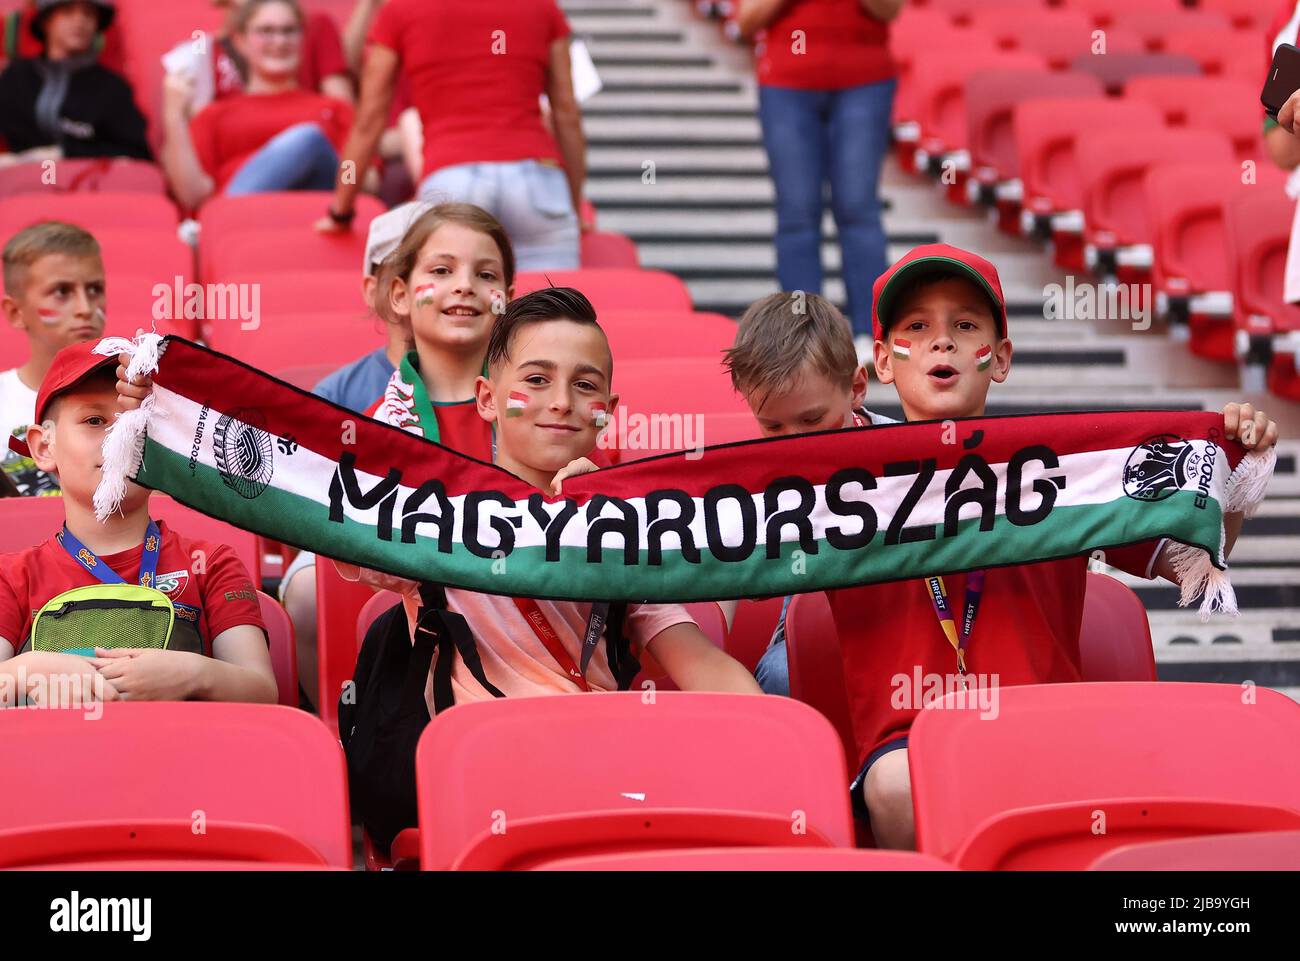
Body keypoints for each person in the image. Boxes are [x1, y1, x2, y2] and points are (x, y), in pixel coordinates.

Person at [836, 244, 1279, 849]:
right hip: (909, 740)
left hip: (1049, 734)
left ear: (1001, 360)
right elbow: (725, 535)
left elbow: (1193, 566)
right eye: (918, 327)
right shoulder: (834, 489)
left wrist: (1238, 479)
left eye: (966, 326)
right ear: (884, 361)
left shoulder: (1067, 470)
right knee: (898, 783)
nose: (943, 343)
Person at [346, 287, 763, 705]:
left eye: (584, 385)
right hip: (478, 759)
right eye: (537, 380)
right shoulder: (440, 516)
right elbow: (334, 524)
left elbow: (701, 664)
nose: (562, 402)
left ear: (607, 412)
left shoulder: (617, 530)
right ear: (488, 399)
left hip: (599, 754)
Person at [0, 341, 277, 707]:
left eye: (138, 421)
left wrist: (193, 674)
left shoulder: (211, 565)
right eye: (94, 421)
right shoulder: (12, 577)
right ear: (43, 446)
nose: (120, 438)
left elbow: (261, 691)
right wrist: (28, 668)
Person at [317, 0, 588, 270]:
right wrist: (574, 205)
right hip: (537, 181)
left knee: (460, 306)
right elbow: (567, 115)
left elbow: (368, 122)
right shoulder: (541, 7)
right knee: (551, 309)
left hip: (453, 179)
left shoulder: (400, 9)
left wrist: (341, 210)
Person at [721, 291, 896, 694]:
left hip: (912, 637)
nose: (794, 443)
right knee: (784, 674)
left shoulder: (909, 458)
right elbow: (719, 571)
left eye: (812, 419)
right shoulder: (750, 480)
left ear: (856, 388)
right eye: (773, 427)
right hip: (805, 646)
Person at [735, 0, 903, 350]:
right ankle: (805, 344)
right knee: (797, 212)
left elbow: (889, 9)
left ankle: (870, 337)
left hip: (864, 80)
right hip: (787, 84)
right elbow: (747, 19)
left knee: (858, 208)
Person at [160, 0, 353, 210]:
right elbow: (192, 196)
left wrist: (347, 174)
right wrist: (174, 117)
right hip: (245, 226)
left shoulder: (334, 109)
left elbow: (366, 178)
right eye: (266, 31)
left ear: (303, 39)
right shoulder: (214, 116)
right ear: (240, 41)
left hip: (318, 215)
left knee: (309, 139)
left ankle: (228, 211)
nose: (279, 41)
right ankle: (230, 211)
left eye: (289, 31)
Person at [2, 221, 107, 496]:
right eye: (62, 292)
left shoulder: (137, 399)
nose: (86, 308)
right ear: (15, 312)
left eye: (95, 289)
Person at [0, 0, 150, 167]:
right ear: (46, 21)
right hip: (20, 184)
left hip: (90, 186)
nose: (79, 21)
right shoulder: (16, 76)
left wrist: (65, 153)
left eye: (88, 14)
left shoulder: (112, 87)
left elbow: (137, 152)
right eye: (67, 11)